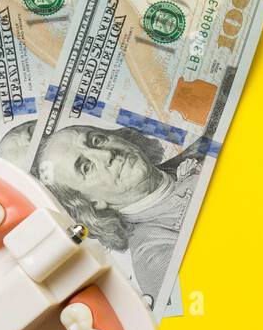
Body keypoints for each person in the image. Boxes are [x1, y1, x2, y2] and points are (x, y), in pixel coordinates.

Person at [36, 125, 204, 303]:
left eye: (96, 140)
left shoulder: (200, 151)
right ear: (92, 203)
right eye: (86, 167)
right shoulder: (154, 256)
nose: (107, 155)